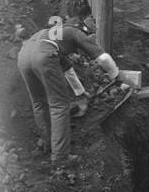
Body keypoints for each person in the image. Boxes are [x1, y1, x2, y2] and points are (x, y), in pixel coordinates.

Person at [17, 13, 133, 164]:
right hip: (43, 56)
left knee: (39, 103)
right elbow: (103, 58)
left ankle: (48, 143)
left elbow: (67, 70)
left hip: (23, 57)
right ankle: (60, 158)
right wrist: (116, 75)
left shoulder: (55, 35)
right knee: (59, 106)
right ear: (86, 31)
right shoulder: (76, 33)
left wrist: (81, 94)